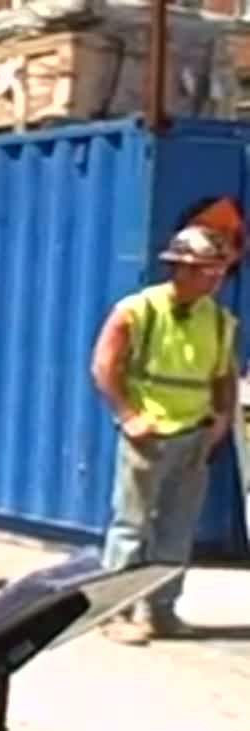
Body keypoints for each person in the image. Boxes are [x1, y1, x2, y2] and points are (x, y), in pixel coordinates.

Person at [90, 224, 240, 646]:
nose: (214, 278)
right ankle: (113, 611)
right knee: (131, 526)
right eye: (205, 270)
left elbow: (224, 374)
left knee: (178, 526)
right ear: (179, 268)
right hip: (148, 435)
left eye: (218, 271)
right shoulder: (139, 310)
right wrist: (128, 415)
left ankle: (162, 609)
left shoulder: (218, 319)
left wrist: (221, 420)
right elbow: (104, 365)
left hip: (195, 435)